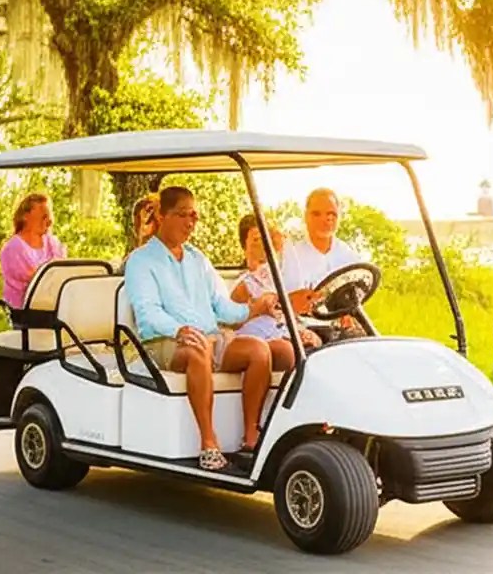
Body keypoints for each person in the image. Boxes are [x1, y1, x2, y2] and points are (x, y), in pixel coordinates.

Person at [123, 186, 278, 471]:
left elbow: (222, 307)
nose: (190, 222)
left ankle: (251, 437)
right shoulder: (141, 261)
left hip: (208, 337)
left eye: (194, 216)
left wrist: (255, 308)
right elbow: (147, 314)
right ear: (162, 214)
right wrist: (180, 330)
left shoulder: (197, 259)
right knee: (198, 349)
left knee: (258, 350)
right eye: (182, 215)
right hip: (163, 341)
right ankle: (209, 442)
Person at [230, 214, 323, 373]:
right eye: (256, 239)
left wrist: (307, 335)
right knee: (288, 350)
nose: (263, 245)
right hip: (262, 342)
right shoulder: (241, 284)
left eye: (266, 239)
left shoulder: (279, 279)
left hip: (289, 334)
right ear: (244, 246)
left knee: (328, 341)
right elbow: (233, 322)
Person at [281, 188, 366, 334]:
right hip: (304, 329)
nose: (325, 219)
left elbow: (357, 296)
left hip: (342, 327)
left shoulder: (348, 255)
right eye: (316, 214)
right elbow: (288, 303)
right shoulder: (291, 256)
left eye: (331, 214)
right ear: (306, 216)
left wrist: (348, 315)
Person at [0, 192, 68, 308]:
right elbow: (35, 281)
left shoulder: (53, 244)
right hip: (25, 310)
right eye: (43, 215)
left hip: (54, 306)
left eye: (49, 215)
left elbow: (62, 274)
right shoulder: (13, 248)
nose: (49, 220)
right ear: (25, 216)